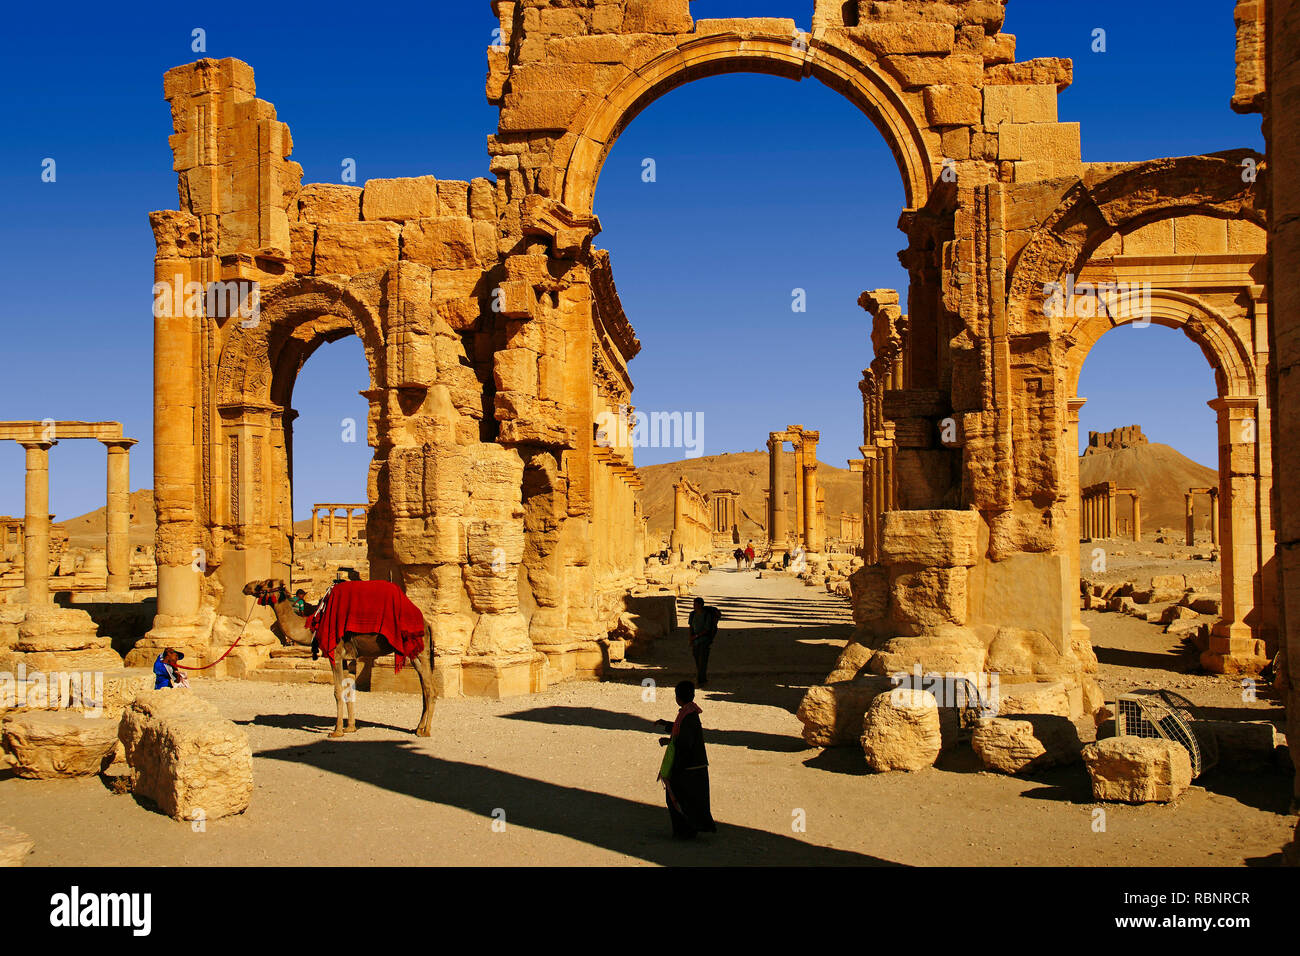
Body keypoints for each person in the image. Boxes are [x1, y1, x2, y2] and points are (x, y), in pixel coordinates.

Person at [655, 680, 716, 839]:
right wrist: (666, 725)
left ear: (677, 697)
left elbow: (684, 741)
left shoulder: (688, 716)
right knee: (690, 800)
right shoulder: (688, 713)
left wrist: (668, 742)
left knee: (680, 799)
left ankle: (685, 832)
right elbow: (679, 728)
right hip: (694, 767)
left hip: (689, 768)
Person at [687, 597, 720, 687]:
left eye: (695, 605)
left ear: (700, 605)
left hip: (704, 640)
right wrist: (691, 638)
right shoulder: (692, 614)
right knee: (697, 659)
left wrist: (696, 636)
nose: (694, 606)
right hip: (695, 640)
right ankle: (701, 677)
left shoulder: (706, 615)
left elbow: (707, 629)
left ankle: (700, 680)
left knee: (703, 660)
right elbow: (691, 627)